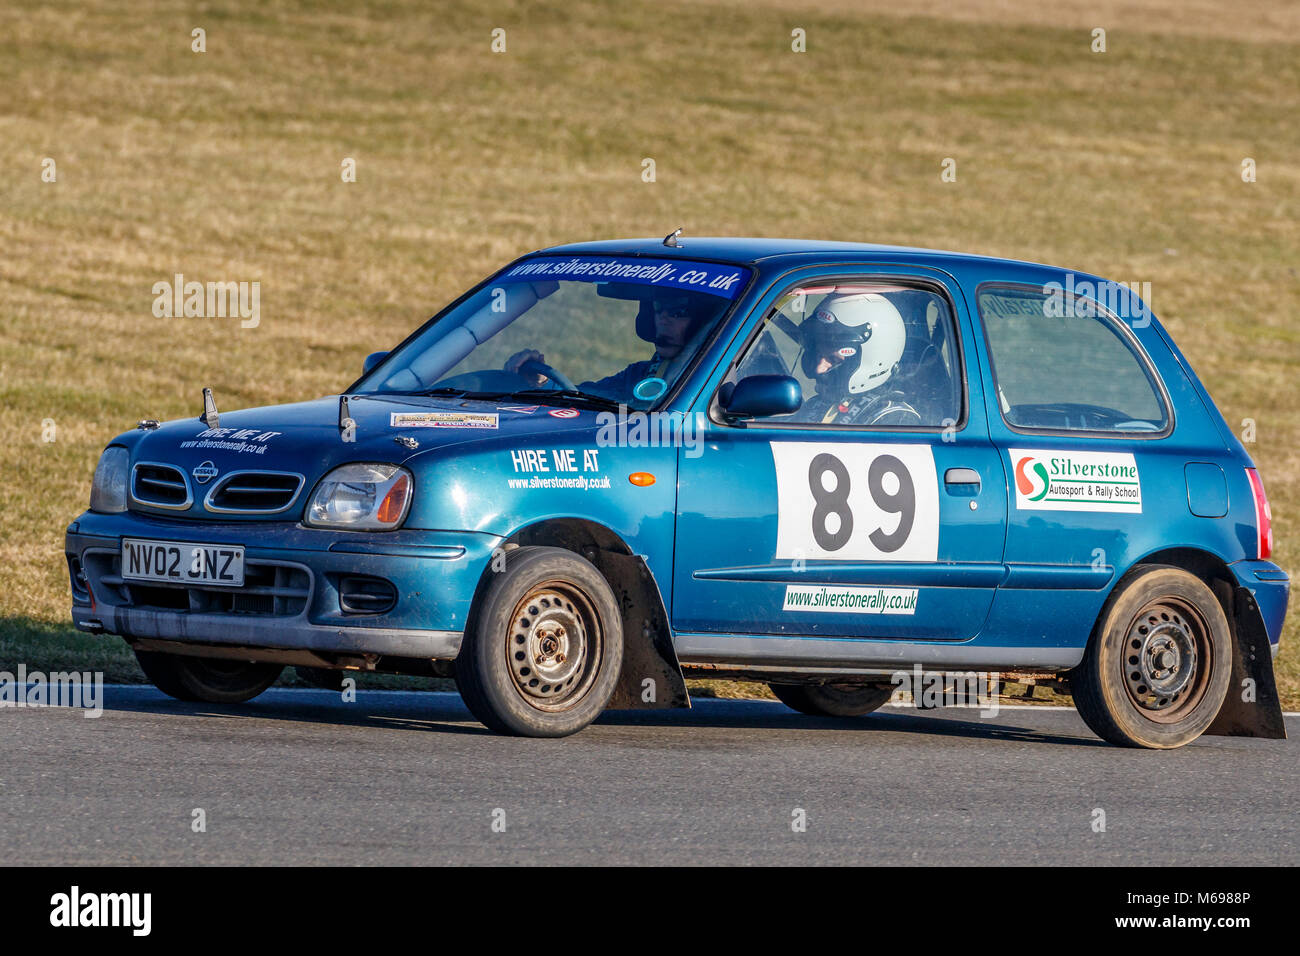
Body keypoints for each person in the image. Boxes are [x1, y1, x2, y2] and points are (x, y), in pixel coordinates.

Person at [503, 290, 715, 402]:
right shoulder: (638, 375)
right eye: (658, 310)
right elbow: (587, 397)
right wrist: (543, 383)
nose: (662, 320)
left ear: (704, 323)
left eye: (678, 313)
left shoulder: (720, 379)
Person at [794, 292, 922, 426]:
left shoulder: (895, 420)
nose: (819, 369)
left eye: (834, 360)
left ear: (876, 360)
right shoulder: (816, 405)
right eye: (818, 354)